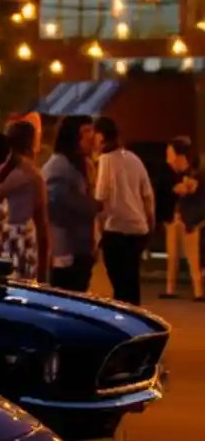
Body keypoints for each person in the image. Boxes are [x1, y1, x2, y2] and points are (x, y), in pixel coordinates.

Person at [94, 117, 155, 305]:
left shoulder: (105, 161)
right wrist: (149, 225)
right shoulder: (133, 159)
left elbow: (100, 200)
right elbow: (147, 196)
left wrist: (99, 232)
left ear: (101, 136)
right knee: (132, 282)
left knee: (120, 285)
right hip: (138, 229)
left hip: (116, 231)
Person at [0, 121, 51, 281]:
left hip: (0, 243)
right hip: (21, 245)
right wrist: (44, 271)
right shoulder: (33, 175)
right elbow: (41, 223)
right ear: (32, 142)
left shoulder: (4, 170)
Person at [44, 116, 99, 292]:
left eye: (92, 130)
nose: (92, 136)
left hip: (81, 247)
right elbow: (56, 201)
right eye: (86, 131)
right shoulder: (59, 165)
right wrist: (92, 206)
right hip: (65, 250)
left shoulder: (82, 164)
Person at [163, 137, 205, 300]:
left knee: (192, 257)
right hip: (175, 219)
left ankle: (198, 291)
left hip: (189, 220)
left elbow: (188, 190)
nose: (168, 158)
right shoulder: (172, 174)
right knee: (172, 255)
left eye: (170, 153)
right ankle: (170, 289)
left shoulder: (194, 174)